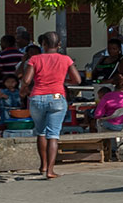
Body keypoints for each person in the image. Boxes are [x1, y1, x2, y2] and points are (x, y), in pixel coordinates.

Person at [22, 31, 81, 180]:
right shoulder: (66, 59)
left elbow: (27, 80)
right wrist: (63, 81)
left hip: (37, 97)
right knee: (53, 135)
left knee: (41, 132)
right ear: (59, 44)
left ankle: (43, 166)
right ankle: (50, 170)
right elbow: (77, 80)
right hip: (57, 97)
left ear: (43, 44)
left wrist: (24, 89)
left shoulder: (34, 59)